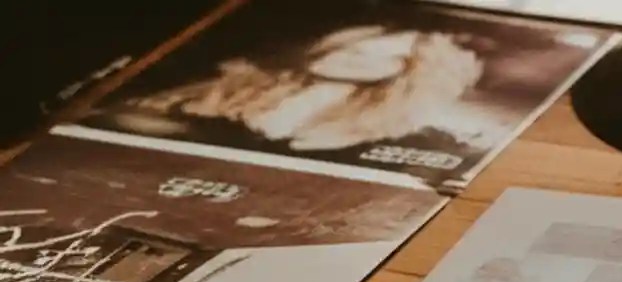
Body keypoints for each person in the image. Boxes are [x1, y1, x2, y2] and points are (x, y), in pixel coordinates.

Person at [127, 24, 488, 151]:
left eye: (391, 60)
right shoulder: (255, 79)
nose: (351, 54)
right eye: (360, 45)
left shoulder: (353, 124)